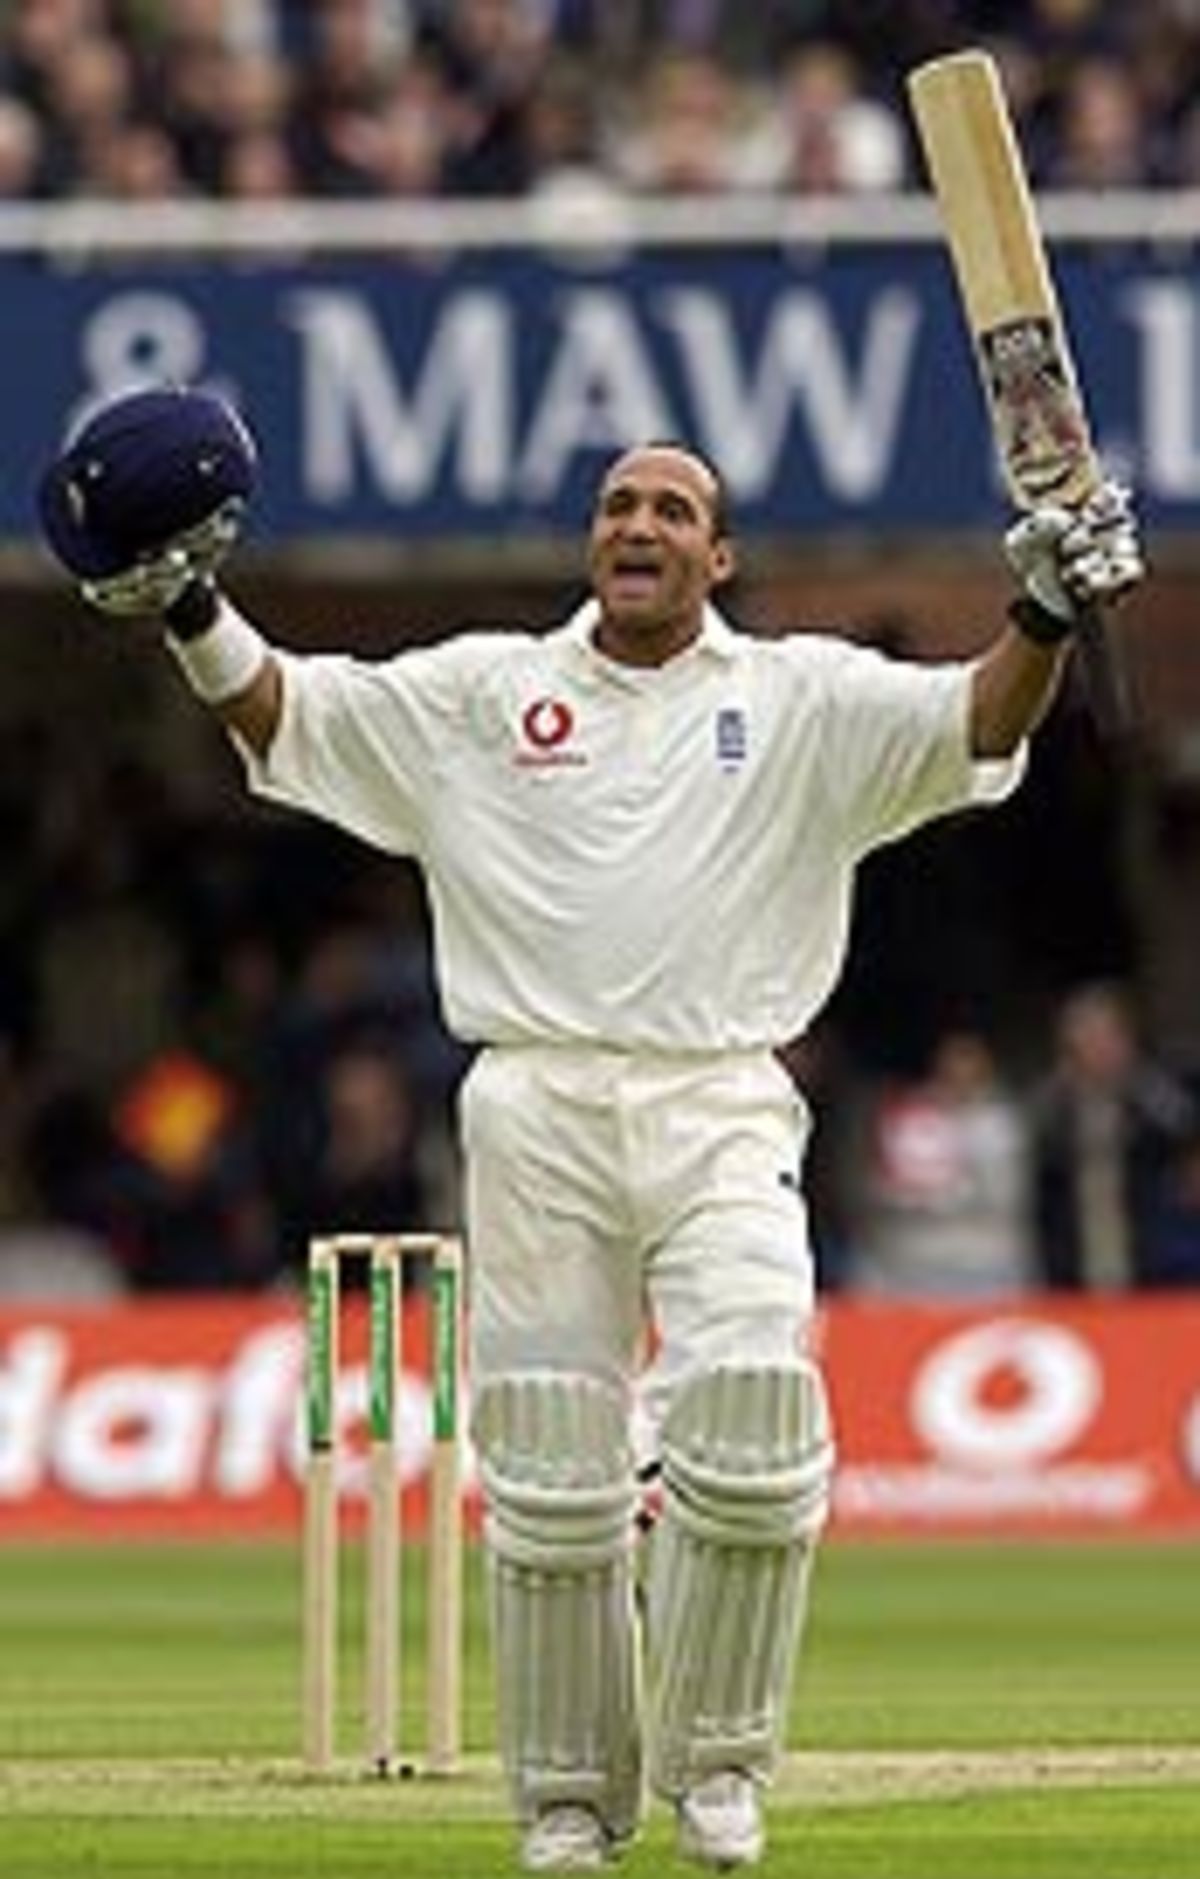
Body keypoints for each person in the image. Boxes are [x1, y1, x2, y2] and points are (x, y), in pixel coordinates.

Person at [37, 384, 1143, 1871]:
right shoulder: (484, 694)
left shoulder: (802, 701)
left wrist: (1046, 606)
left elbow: (974, 720)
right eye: (618, 505)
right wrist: (192, 611)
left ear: (721, 559)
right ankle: (566, 1798)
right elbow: (290, 712)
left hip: (722, 1096)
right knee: (554, 1470)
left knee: (751, 1421)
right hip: (533, 1103)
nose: (637, 525)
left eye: (671, 509)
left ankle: (720, 1770)